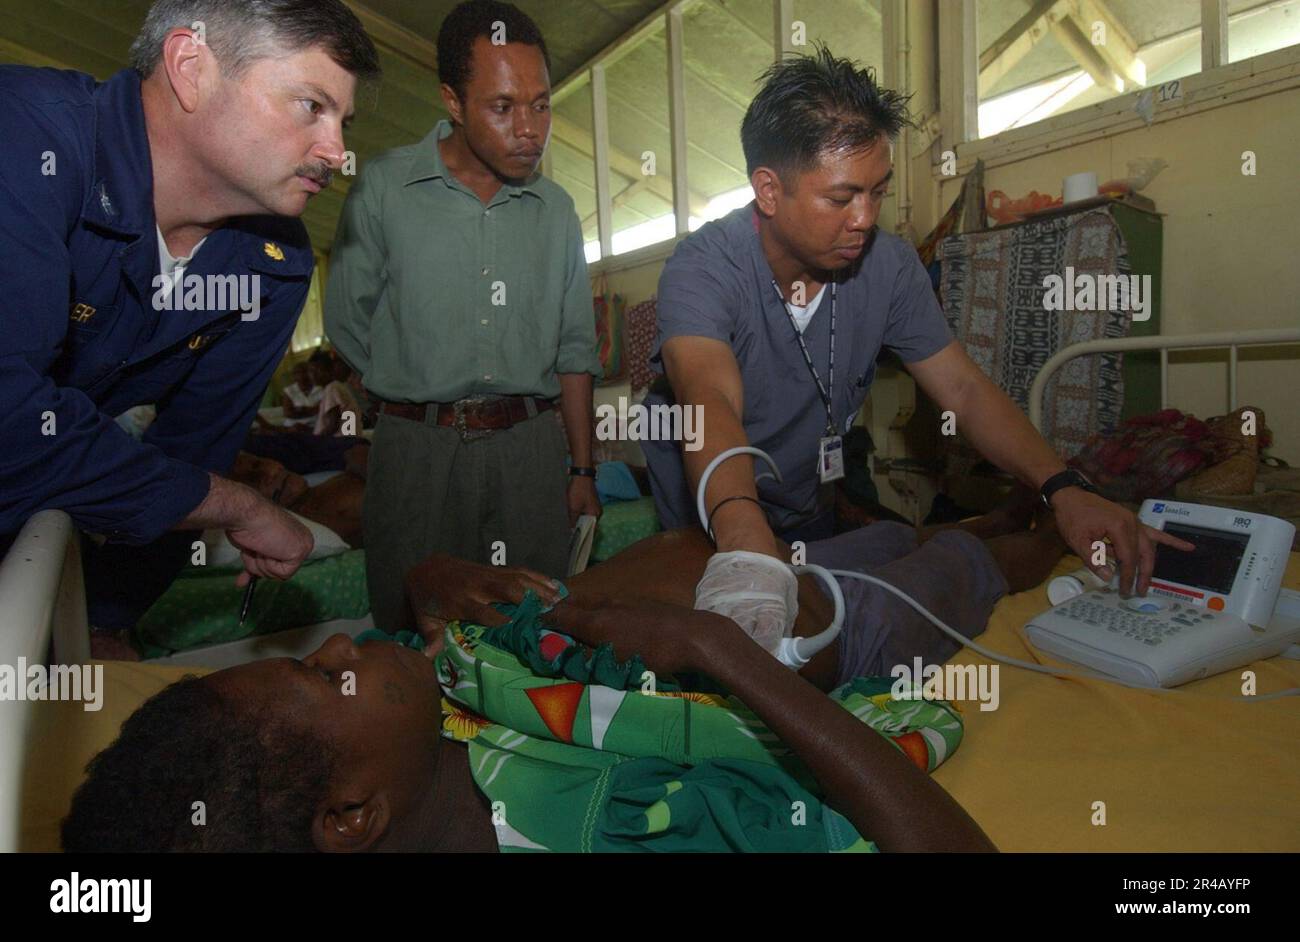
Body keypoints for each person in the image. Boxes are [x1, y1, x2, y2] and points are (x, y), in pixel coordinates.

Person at [641, 46, 1191, 649]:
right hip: (712, 505)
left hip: (805, 495)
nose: (865, 218)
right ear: (769, 191)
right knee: (715, 635)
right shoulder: (702, 269)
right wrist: (746, 548)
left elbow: (962, 388)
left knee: (832, 609)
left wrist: (1064, 489)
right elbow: (708, 397)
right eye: (842, 197)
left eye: (879, 192)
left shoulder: (890, 268)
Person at [62, 538, 1022, 852]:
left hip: (751, 585)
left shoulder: (426, 731)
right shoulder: (591, 828)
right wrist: (719, 651)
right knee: (965, 561)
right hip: (816, 665)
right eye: (326, 674)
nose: (346, 644)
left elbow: (422, 634)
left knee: (913, 544)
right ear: (350, 817)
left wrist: (435, 580)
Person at [0, 0, 381, 631]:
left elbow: (193, 454)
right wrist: (236, 506)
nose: (337, 153)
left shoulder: (274, 266)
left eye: (344, 120)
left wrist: (105, 623)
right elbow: (12, 418)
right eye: (313, 106)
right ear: (190, 65)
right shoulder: (26, 137)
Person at [325, 0, 603, 634]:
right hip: (415, 457)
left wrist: (582, 469)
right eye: (503, 107)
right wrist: (417, 389)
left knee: (539, 637)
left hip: (530, 454)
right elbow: (348, 321)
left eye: (541, 105)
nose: (529, 129)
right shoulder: (385, 190)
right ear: (452, 101)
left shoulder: (555, 212)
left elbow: (575, 350)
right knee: (409, 637)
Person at [280, 361, 324, 428]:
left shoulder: (319, 388)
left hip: (315, 424)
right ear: (293, 376)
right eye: (298, 373)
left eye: (305, 371)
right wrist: (311, 411)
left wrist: (301, 410)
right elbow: (287, 413)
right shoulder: (289, 390)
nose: (302, 375)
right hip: (293, 425)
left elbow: (322, 409)